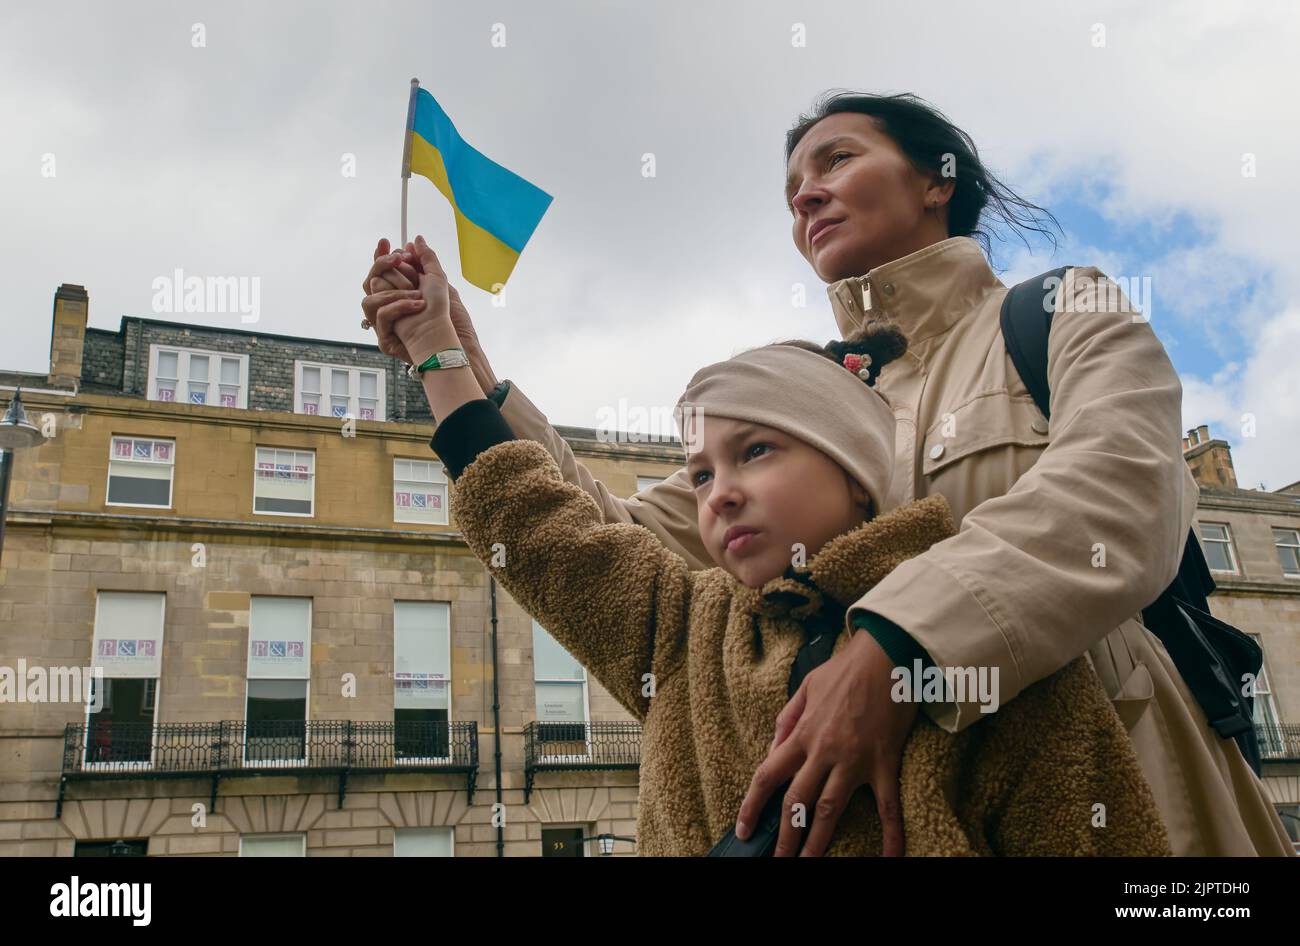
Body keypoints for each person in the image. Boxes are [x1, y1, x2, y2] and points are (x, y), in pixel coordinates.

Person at [362, 91, 1294, 857]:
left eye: (837, 161)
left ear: (939, 180)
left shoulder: (1061, 311)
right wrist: (463, 366)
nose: (806, 196)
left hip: (1124, 790)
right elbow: (615, 549)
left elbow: (1123, 493)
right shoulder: (800, 393)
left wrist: (898, 649)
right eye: (792, 189)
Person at [374, 234, 1171, 856]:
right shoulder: (682, 627)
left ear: (861, 472)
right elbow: (542, 523)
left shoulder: (997, 664)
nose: (715, 490)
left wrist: (897, 652)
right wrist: (442, 353)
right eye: (698, 473)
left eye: (757, 451)